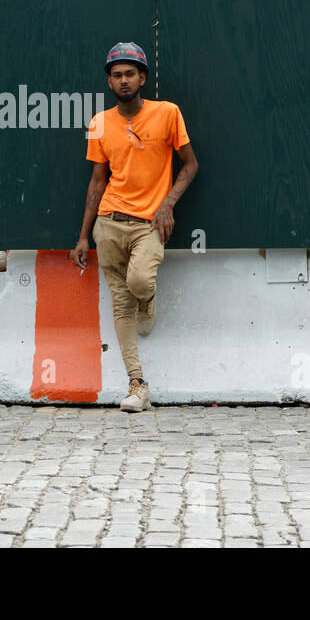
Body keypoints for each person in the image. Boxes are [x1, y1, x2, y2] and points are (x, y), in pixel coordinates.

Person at [70, 42, 198, 413]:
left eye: (130, 73)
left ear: (143, 77)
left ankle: (148, 298)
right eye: (116, 75)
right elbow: (97, 181)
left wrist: (168, 204)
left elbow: (190, 165)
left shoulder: (168, 113)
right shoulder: (99, 123)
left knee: (140, 282)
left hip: (148, 225)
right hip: (108, 223)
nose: (123, 80)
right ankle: (137, 384)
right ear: (109, 81)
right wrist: (83, 236)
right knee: (120, 307)